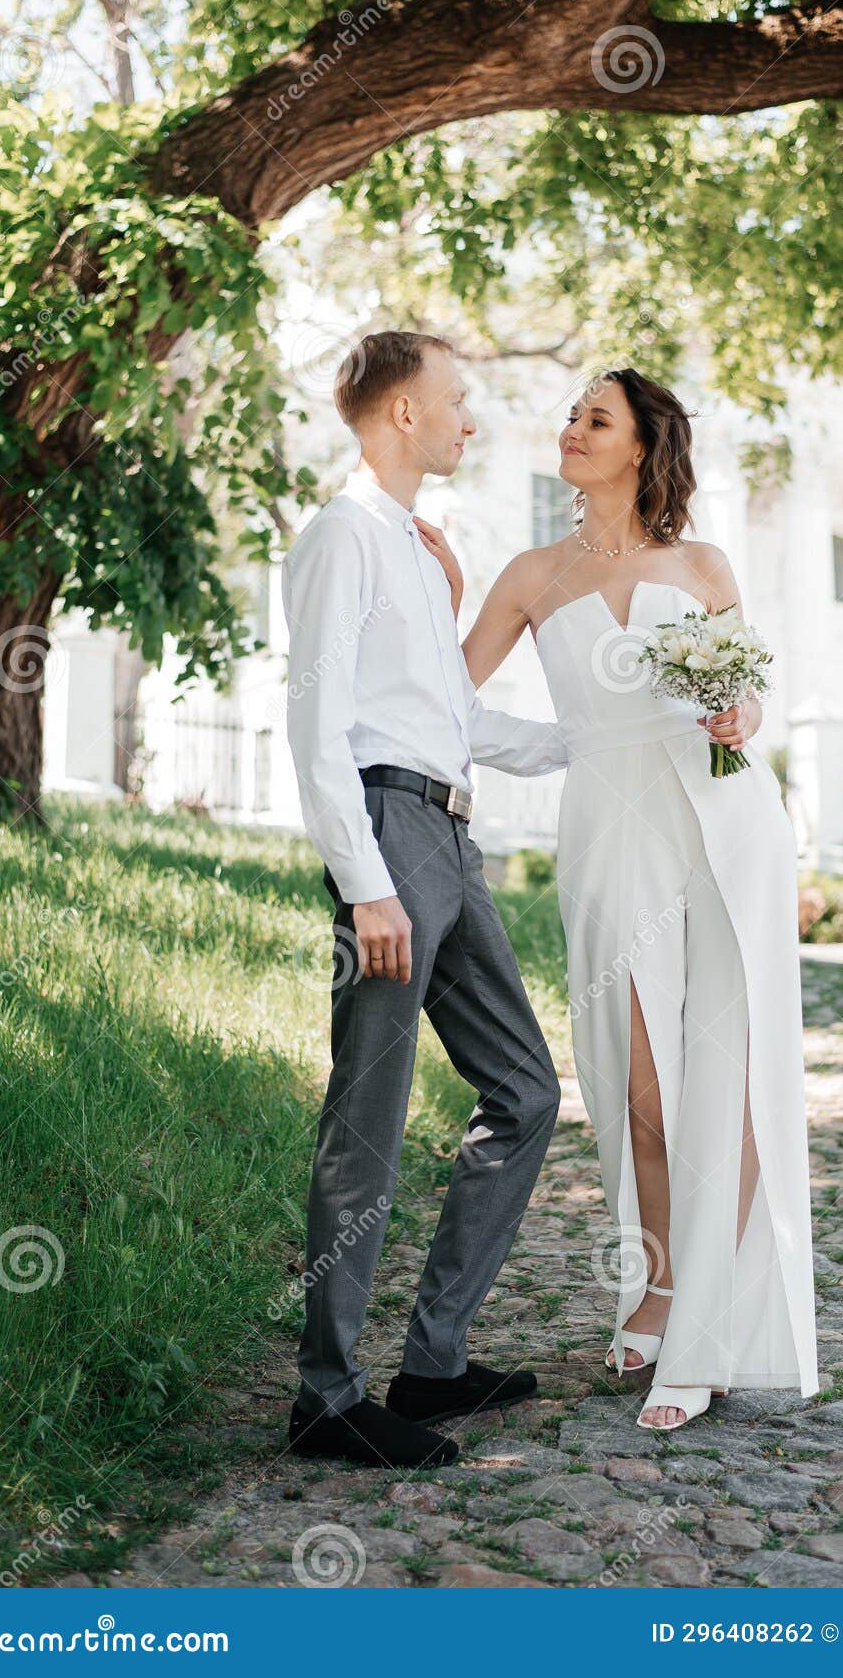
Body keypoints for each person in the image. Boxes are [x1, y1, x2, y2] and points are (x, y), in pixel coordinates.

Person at [420, 366, 819, 1432]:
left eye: (595, 417)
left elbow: (748, 697)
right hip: (607, 825)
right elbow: (442, 705)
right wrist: (447, 601)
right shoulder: (530, 573)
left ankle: (706, 1327)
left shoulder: (701, 560)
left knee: (725, 1077)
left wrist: (740, 714)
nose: (573, 429)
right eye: (570, 416)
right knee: (640, 1085)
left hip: (724, 818)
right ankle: (662, 1283)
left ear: (644, 445)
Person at [280, 330, 570, 1469]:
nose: (469, 421)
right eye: (456, 401)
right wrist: (366, 889)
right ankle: (326, 1394)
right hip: (389, 838)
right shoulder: (343, 537)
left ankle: (434, 1360)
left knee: (527, 1089)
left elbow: (464, 721)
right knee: (369, 1118)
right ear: (401, 412)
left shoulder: (417, 547)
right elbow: (315, 728)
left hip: (451, 834)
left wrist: (616, 738)